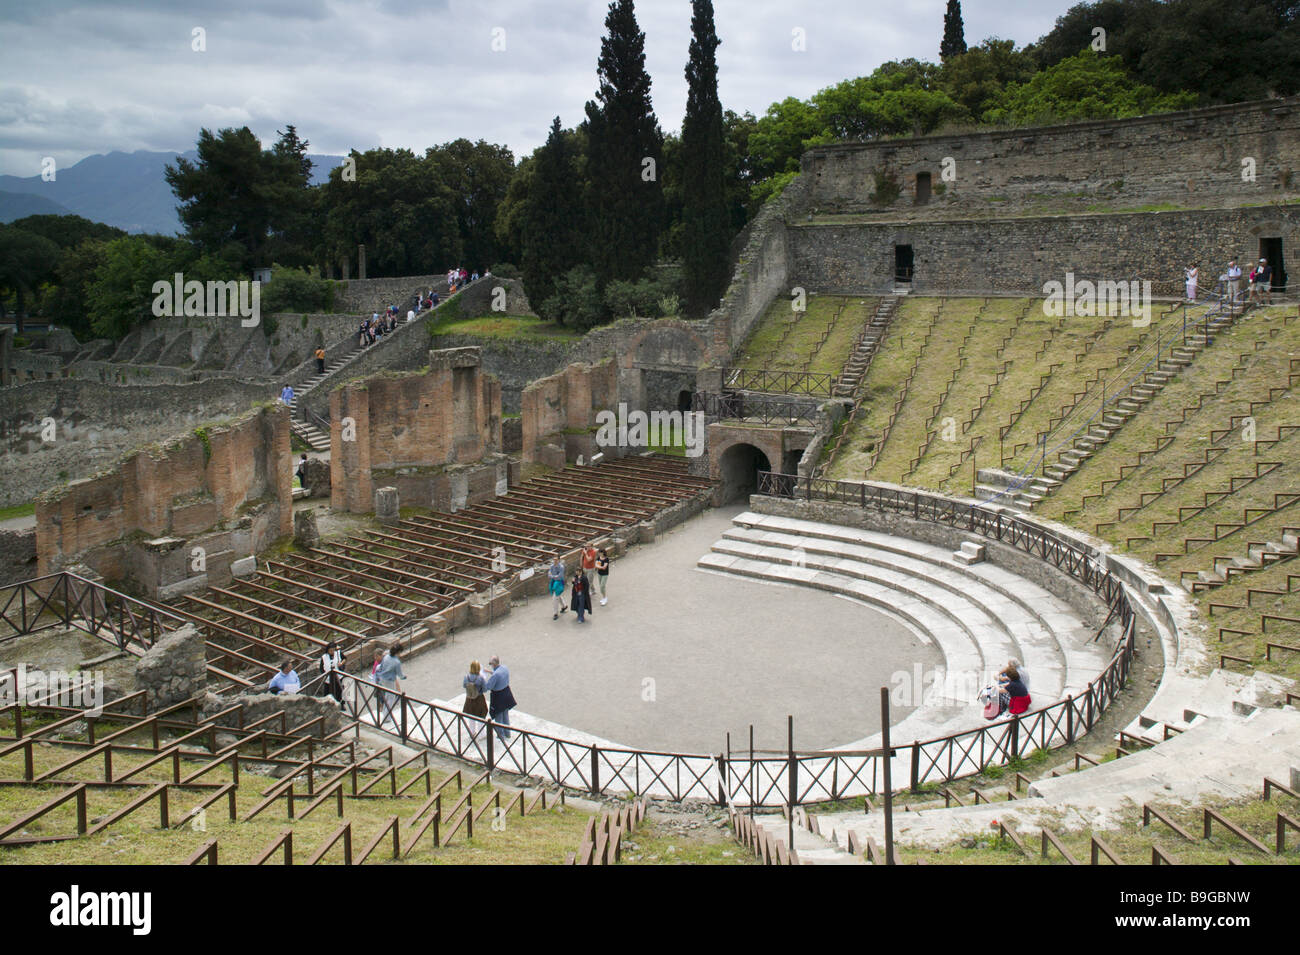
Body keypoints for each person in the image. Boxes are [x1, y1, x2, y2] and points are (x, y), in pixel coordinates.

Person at [483, 655, 516, 742]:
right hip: (506, 693)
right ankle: (507, 733)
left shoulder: (495, 675)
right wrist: (490, 672)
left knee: (498, 717)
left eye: (491, 664)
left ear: (493, 664)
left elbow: (488, 687)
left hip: (498, 696)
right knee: (505, 715)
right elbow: (498, 673)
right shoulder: (505, 668)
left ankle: (500, 735)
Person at [375, 643, 406, 727]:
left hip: (382, 678)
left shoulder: (387, 657)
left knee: (387, 697)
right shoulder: (396, 662)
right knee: (391, 698)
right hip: (389, 680)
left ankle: (385, 714)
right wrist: (404, 677)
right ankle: (386, 717)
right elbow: (400, 674)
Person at [462, 659, 489, 735]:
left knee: (471, 717)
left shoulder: (466, 677)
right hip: (479, 699)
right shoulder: (480, 678)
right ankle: (481, 734)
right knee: (481, 717)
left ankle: (472, 732)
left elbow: (464, 685)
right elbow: (485, 689)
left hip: (469, 698)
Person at [319, 641, 345, 705]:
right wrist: (325, 674)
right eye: (330, 650)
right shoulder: (324, 657)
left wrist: (341, 663)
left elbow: (344, 658)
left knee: (340, 691)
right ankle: (328, 705)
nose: (332, 652)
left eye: (333, 650)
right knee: (328, 692)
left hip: (338, 676)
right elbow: (321, 667)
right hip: (328, 678)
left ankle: (341, 704)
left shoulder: (338, 653)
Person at [548, 555, 567, 619]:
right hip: (554, 582)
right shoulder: (551, 566)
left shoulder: (561, 567)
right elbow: (549, 574)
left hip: (559, 583)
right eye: (554, 559)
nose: (554, 561)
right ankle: (564, 606)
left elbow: (559, 576)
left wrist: (552, 576)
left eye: (556, 560)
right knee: (558, 596)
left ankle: (555, 613)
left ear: (559, 560)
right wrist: (554, 576)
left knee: (555, 598)